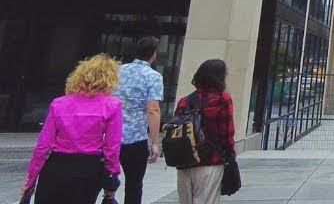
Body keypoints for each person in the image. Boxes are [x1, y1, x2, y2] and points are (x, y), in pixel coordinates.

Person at [22, 54, 123, 203]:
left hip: (56, 166)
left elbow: (43, 146)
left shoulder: (59, 104)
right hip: (88, 168)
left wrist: (31, 180)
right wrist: (111, 178)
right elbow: (112, 148)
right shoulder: (112, 106)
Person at [171, 60, 236, 204]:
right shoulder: (222, 99)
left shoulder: (184, 101)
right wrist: (230, 153)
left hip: (185, 161)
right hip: (210, 160)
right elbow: (227, 133)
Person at [115, 37, 164, 204]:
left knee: (104, 180)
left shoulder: (118, 71)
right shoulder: (153, 76)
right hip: (135, 138)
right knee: (134, 184)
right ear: (153, 54)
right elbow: (153, 109)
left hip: (111, 135)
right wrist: (155, 142)